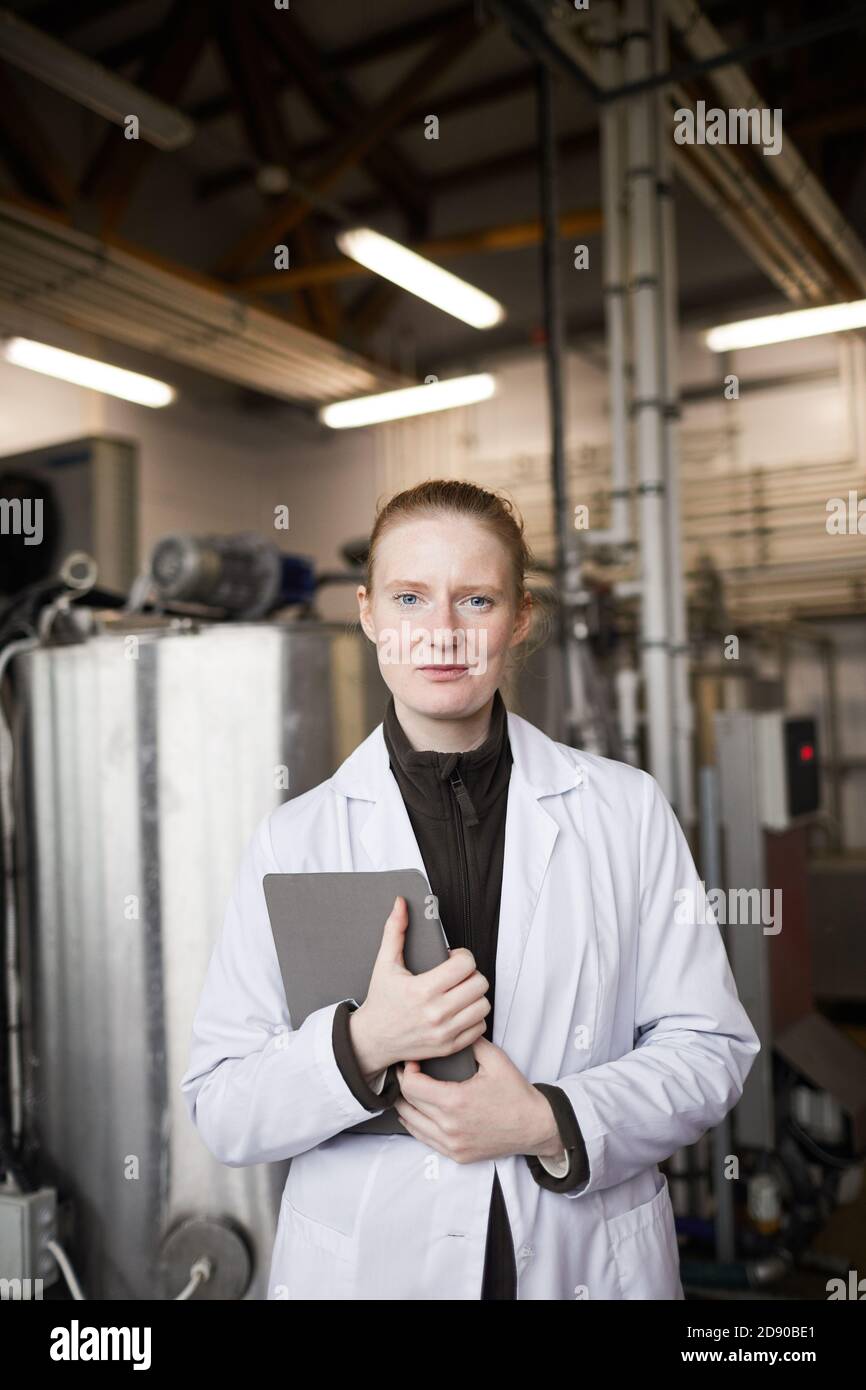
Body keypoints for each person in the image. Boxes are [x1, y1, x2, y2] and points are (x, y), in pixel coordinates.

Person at [180, 479, 760, 1301]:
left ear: (519, 619)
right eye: (410, 598)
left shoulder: (622, 810)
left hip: (580, 1263)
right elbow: (223, 1104)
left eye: (476, 599)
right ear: (369, 613)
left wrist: (548, 1121)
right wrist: (361, 1045)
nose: (441, 634)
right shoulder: (296, 837)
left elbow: (711, 1047)